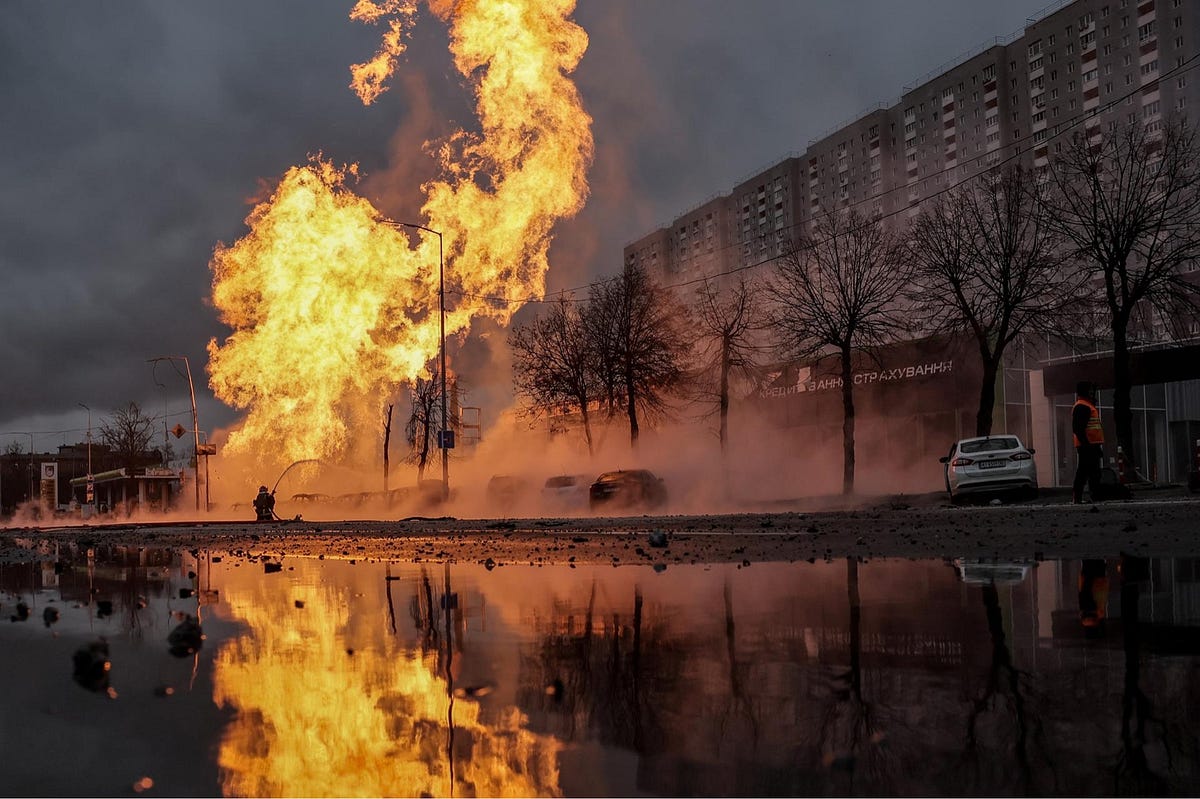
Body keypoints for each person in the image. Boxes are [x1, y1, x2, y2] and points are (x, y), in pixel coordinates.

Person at [1072, 381, 1105, 504]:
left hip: (1090, 445)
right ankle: (1080, 497)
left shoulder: (1086, 405)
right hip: (1087, 445)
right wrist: (1087, 445)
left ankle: (1092, 495)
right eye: (1090, 390)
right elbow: (1078, 429)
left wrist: (1096, 447)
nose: (1092, 393)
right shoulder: (1082, 406)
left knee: (1091, 471)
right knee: (1085, 471)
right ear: (1085, 392)